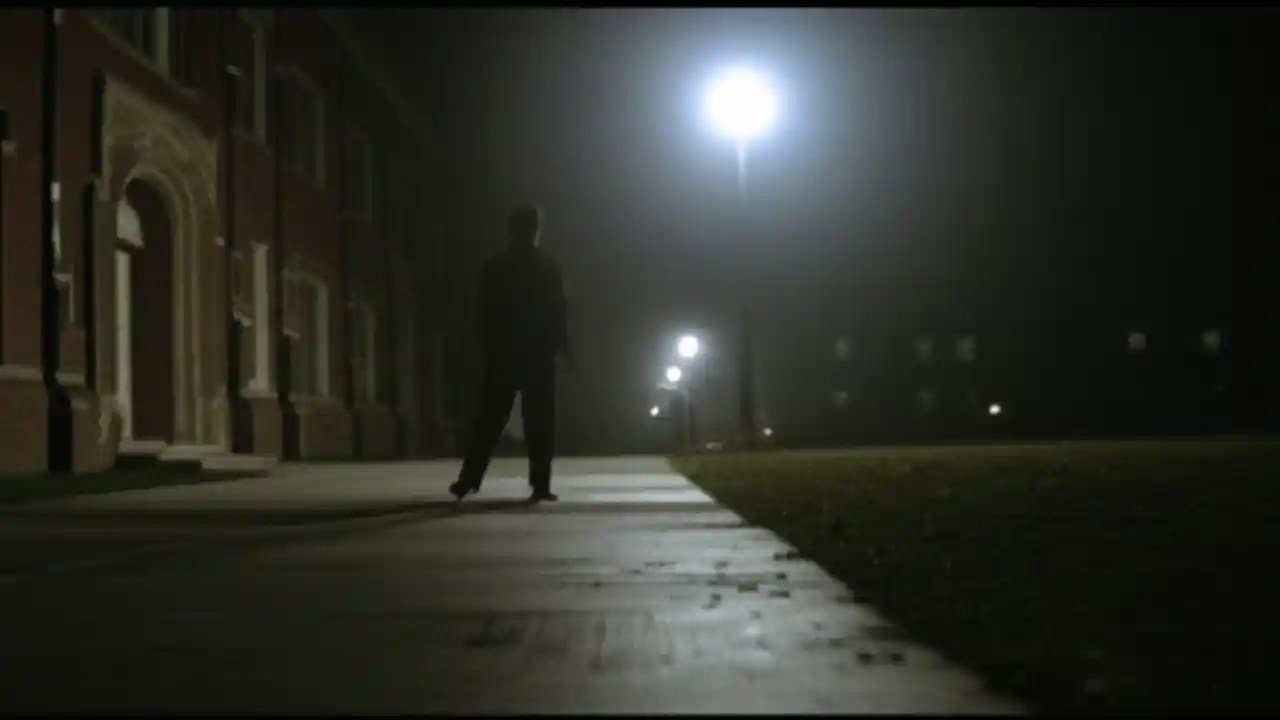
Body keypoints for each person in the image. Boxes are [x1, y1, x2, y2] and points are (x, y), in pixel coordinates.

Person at [450, 203, 570, 503]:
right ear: (536, 230)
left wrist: (483, 348)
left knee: (489, 420)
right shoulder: (547, 266)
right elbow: (558, 310)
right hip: (537, 352)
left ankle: (469, 479)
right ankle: (540, 483)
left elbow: (484, 313)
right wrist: (562, 347)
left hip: (503, 352)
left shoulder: (496, 266)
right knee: (540, 422)